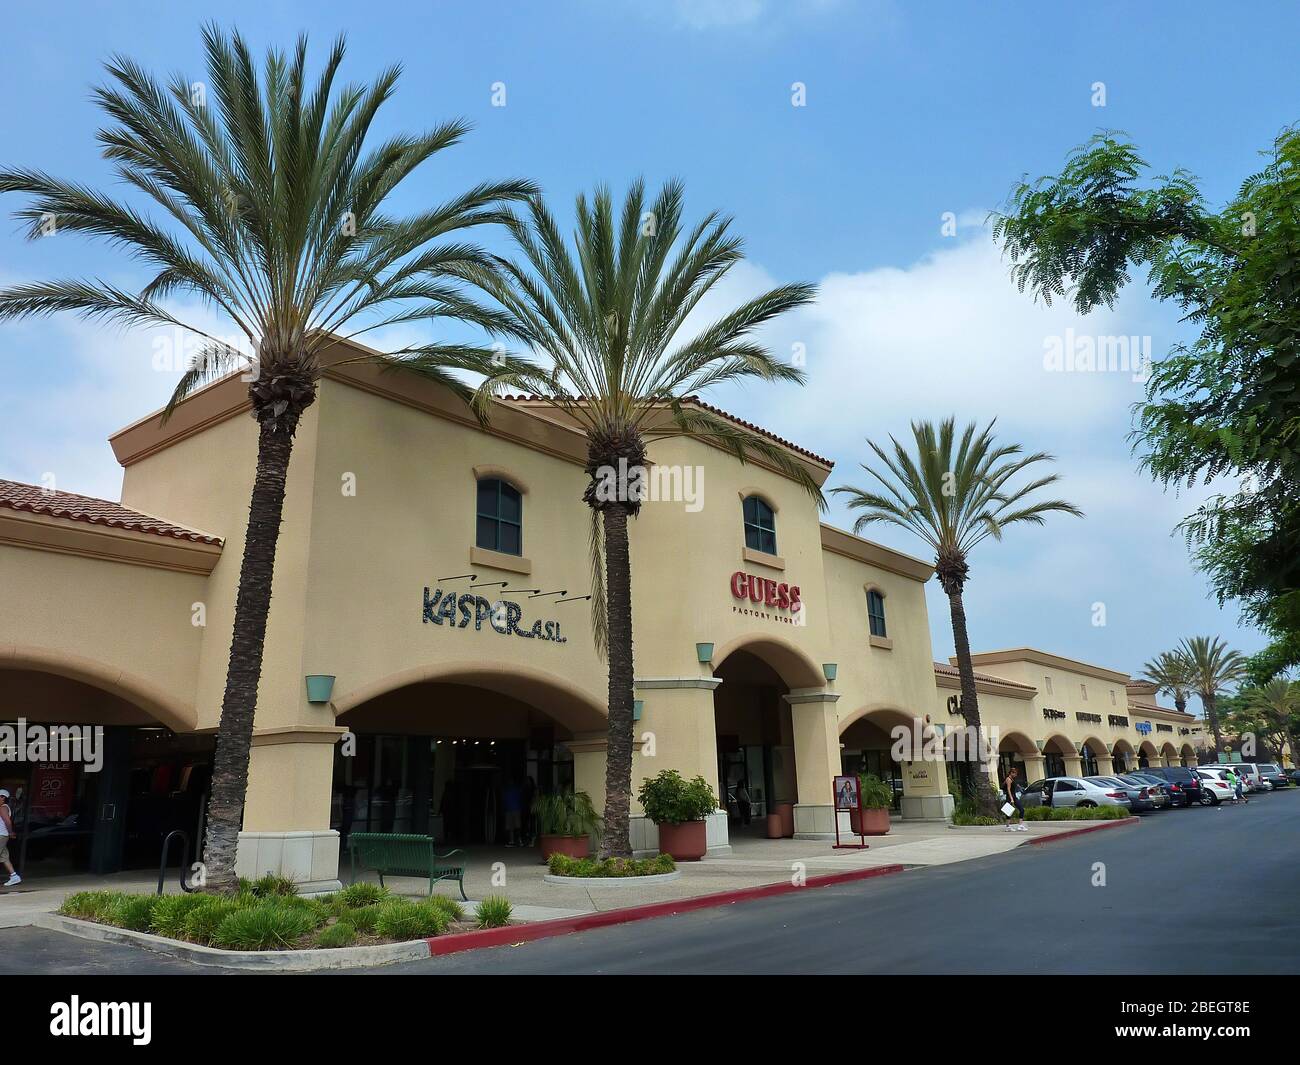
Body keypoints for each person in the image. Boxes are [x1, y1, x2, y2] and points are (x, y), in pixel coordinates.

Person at [0, 789, 20, 887]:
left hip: (1, 835)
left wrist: (11, 832)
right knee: (4, 857)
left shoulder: (3, 808)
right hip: (3, 835)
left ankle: (14, 876)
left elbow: (7, 821)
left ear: (3, 798)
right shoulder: (3, 807)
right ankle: (14, 876)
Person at [1002, 766, 1026, 832]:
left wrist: (1017, 786)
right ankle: (1008, 827)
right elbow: (1008, 789)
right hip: (1010, 797)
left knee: (1022, 809)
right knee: (1009, 812)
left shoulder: (1012, 779)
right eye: (1015, 773)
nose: (1016, 775)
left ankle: (1020, 826)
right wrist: (1011, 799)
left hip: (1014, 796)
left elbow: (1012, 787)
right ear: (1011, 773)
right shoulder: (1008, 779)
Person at [502, 776, 523, 847]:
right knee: (512, 826)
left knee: (514, 826)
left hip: (513, 809)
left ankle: (516, 841)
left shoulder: (511, 790)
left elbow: (504, 800)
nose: (510, 783)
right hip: (512, 809)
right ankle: (514, 841)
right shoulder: (511, 790)